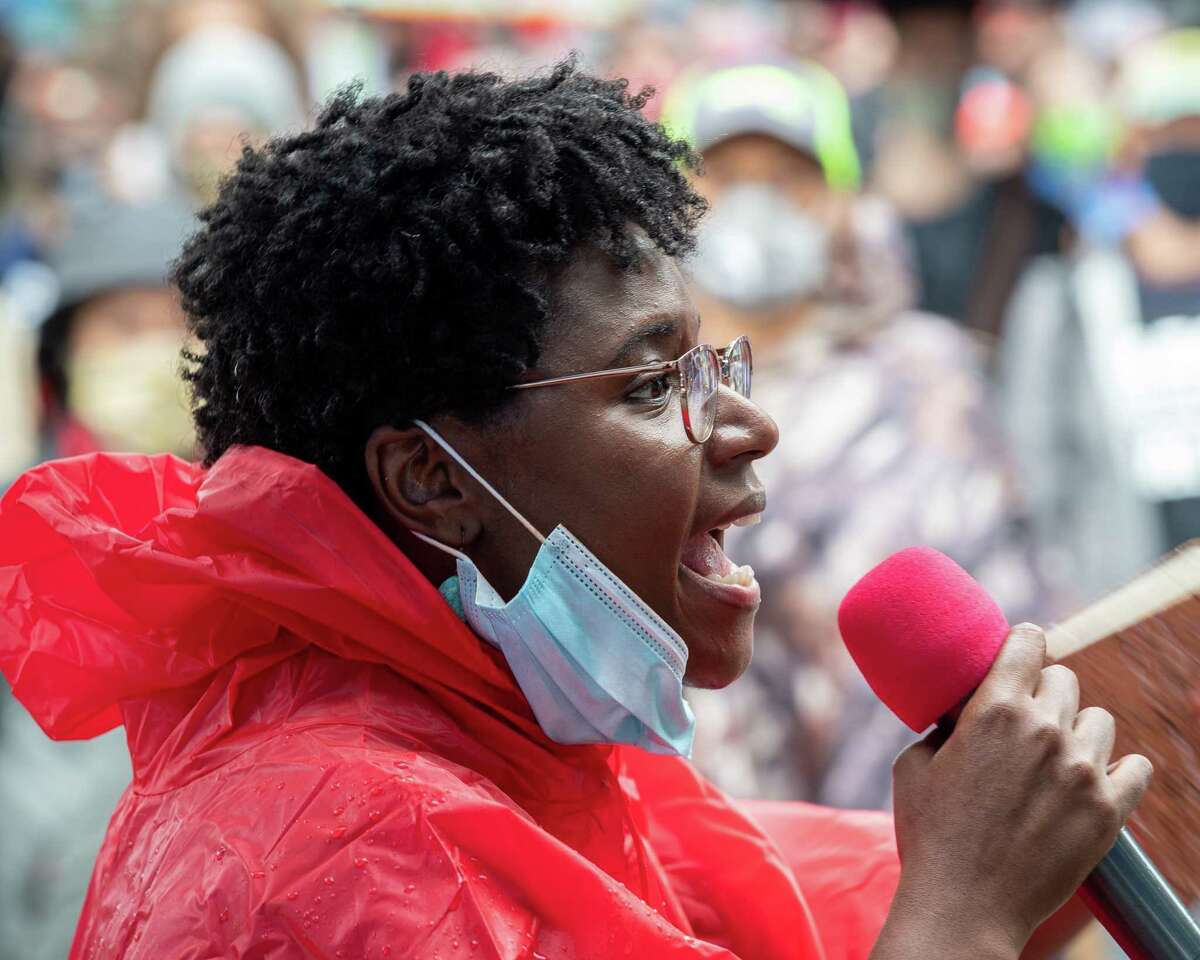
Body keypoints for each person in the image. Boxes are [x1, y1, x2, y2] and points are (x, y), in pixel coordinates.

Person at [0, 61, 1148, 959]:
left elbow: (799, 902)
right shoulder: (326, 858)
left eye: (710, 365)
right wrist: (960, 921)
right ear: (432, 480)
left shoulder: (530, 749)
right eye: (653, 385)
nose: (750, 427)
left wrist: (1028, 839)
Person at [663, 62, 1057, 808]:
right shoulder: (641, 396)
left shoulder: (925, 376)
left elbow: (1010, 594)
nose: (754, 203)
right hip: (720, 835)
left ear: (842, 201)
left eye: (787, 178)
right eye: (723, 175)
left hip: (920, 818)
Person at [1001, 27, 1200, 601]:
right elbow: (1033, 481)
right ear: (1133, 143)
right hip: (1125, 616)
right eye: (1170, 131)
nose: (1186, 146)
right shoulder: (1064, 301)